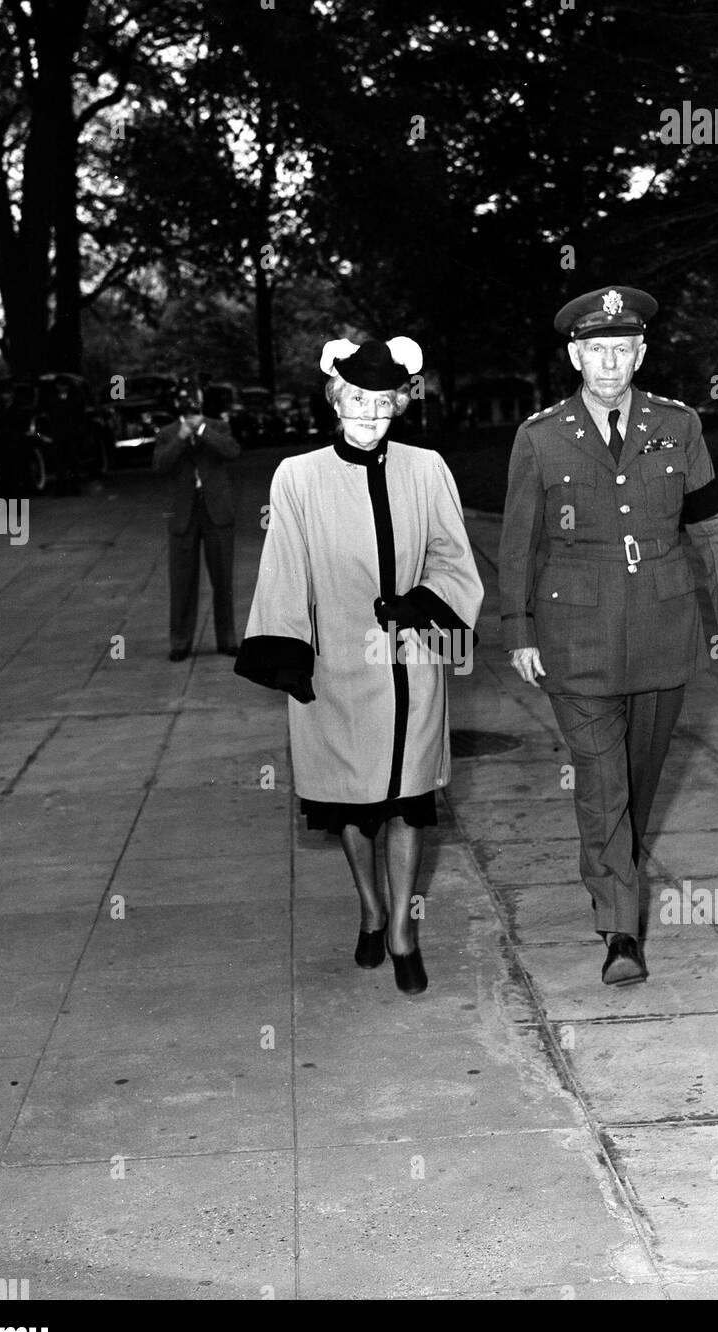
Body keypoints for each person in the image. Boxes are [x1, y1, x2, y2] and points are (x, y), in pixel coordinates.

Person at [499, 285, 718, 986]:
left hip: (662, 628)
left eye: (621, 350)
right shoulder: (540, 435)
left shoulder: (678, 424)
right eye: (595, 350)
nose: (608, 363)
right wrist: (516, 629)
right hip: (573, 635)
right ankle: (620, 930)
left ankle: (614, 871)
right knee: (602, 782)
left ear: (640, 352)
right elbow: (517, 544)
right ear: (574, 356)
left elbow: (710, 519)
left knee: (637, 784)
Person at [235, 337, 483, 995]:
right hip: (333, 662)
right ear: (333, 399)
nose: (370, 412)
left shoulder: (427, 468)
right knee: (351, 805)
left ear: (400, 401)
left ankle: (400, 926)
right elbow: (283, 566)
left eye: (383, 400)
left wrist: (423, 603)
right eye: (357, 398)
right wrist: (285, 650)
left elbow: (453, 556)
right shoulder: (296, 476)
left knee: (408, 801)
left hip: (409, 663)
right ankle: (369, 907)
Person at [153, 380, 241, 661]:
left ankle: (227, 639)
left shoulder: (217, 426)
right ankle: (180, 642)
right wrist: (180, 437)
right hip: (183, 514)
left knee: (223, 578)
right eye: (185, 401)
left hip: (216, 510)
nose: (190, 406)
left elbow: (232, 451)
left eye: (195, 401)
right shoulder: (167, 433)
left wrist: (202, 429)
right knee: (181, 580)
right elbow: (159, 466)